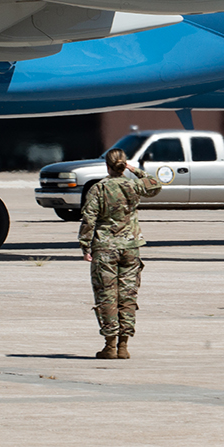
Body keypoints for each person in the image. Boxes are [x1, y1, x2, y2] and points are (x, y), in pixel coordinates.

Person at [79, 149, 164, 359]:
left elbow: (89, 218)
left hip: (105, 248)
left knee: (107, 295)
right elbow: (156, 184)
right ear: (123, 165)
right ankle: (124, 346)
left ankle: (110, 345)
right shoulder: (133, 185)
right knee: (127, 296)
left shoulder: (99, 189)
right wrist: (134, 170)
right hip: (130, 247)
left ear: (107, 166)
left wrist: (85, 246)